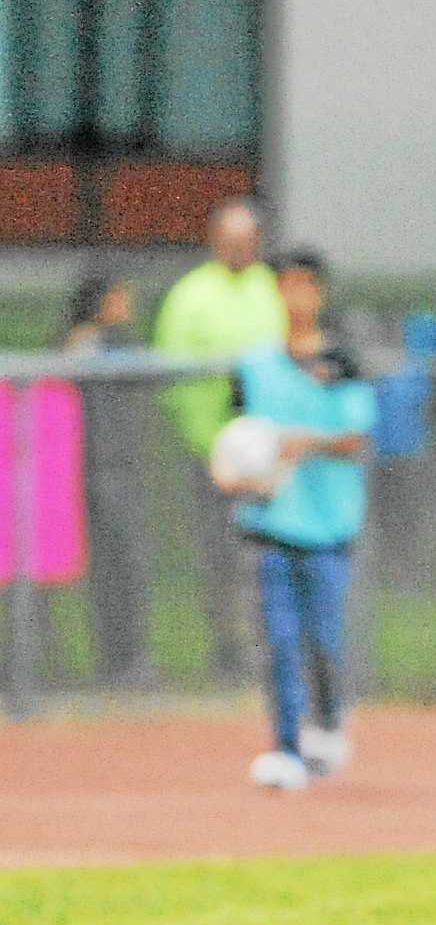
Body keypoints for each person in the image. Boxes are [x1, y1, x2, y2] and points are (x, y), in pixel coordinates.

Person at [223, 249, 376, 790]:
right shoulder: (253, 365)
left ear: (319, 292)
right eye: (283, 286)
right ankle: (285, 746)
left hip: (328, 526)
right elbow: (236, 437)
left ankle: (328, 722)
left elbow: (355, 439)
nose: (294, 298)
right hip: (268, 523)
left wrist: (300, 442)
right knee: (278, 641)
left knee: (323, 640)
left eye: (303, 286)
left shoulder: (341, 363)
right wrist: (236, 471)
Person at [153, 196, 287, 679]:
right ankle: (228, 646)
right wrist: (204, 440)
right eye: (230, 240)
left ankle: (273, 643)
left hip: (274, 451)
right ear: (213, 241)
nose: (239, 248)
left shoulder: (271, 287)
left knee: (274, 549)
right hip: (212, 450)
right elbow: (170, 376)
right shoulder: (191, 295)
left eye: (247, 240)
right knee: (222, 554)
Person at [59, 274, 154, 685]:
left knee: (129, 565)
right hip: (90, 471)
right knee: (106, 569)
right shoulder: (78, 343)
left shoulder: (120, 344)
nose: (126, 304)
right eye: (119, 297)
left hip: (120, 469)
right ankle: (111, 661)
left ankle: (130, 660)